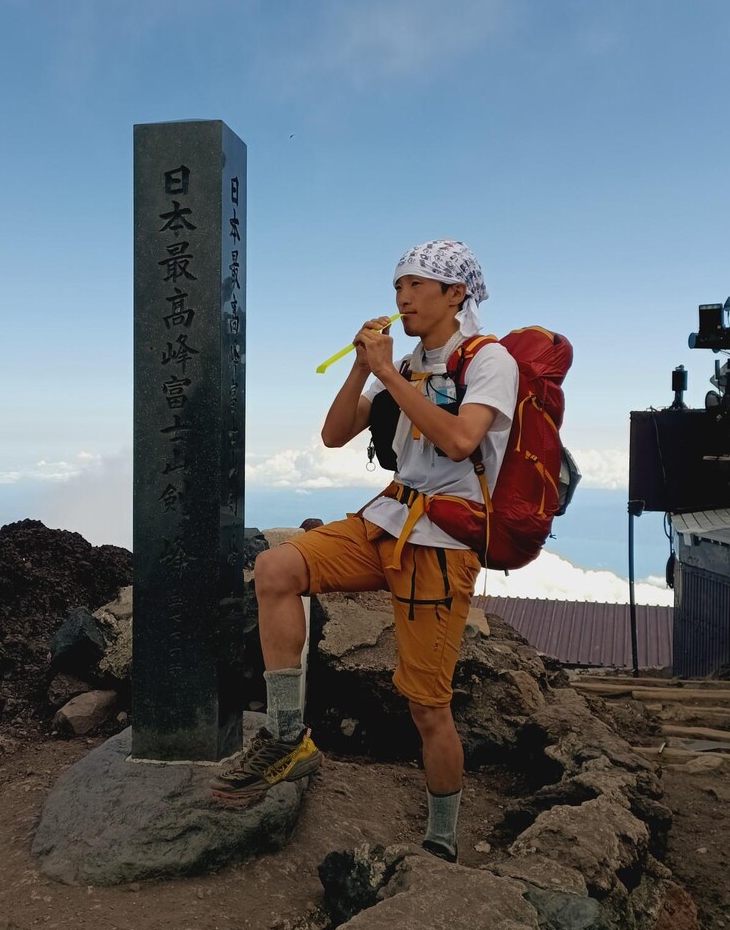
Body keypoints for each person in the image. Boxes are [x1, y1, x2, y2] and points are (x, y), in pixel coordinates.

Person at [211, 239, 519, 863]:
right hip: (389, 515)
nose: (402, 298)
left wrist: (385, 373)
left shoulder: (491, 362)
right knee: (276, 568)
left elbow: (461, 441)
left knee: (427, 705)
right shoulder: (406, 365)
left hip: (441, 540)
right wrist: (362, 366)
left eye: (416, 286)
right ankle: (286, 734)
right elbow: (332, 435)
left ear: (455, 294)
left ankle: (441, 837)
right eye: (398, 287)